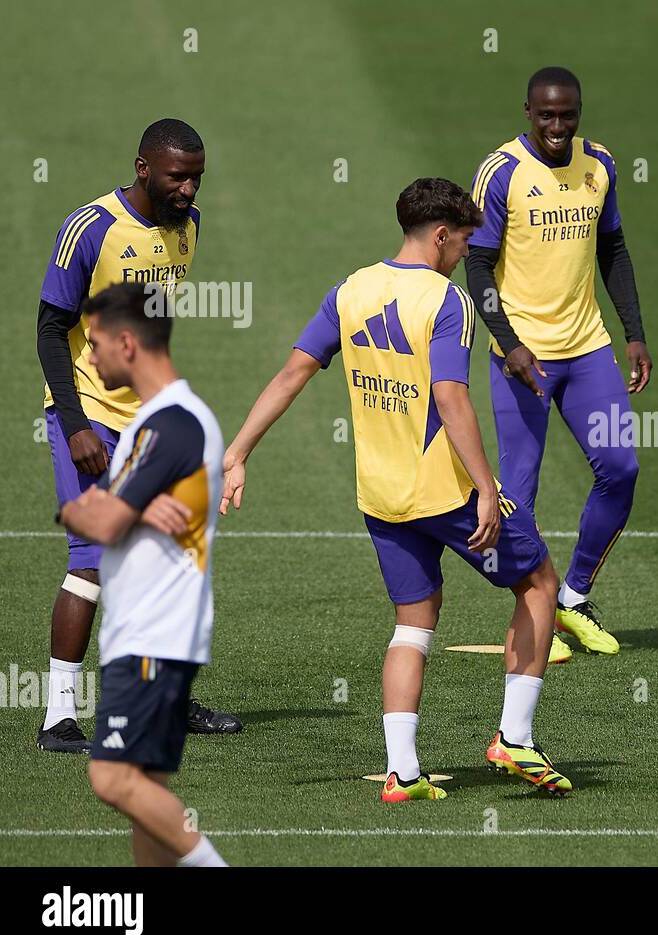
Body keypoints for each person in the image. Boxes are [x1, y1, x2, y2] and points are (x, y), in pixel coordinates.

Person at [220, 177, 571, 799]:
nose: (466, 254)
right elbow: (450, 399)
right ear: (440, 236)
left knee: (414, 621)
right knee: (539, 582)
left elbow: (293, 372)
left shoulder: (350, 290)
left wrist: (238, 451)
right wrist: (487, 489)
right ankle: (515, 738)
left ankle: (402, 773)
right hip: (446, 492)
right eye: (463, 242)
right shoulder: (447, 301)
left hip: (380, 497)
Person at [37, 117, 240, 753]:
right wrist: (74, 427)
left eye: (197, 178)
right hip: (90, 416)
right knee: (93, 560)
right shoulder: (91, 229)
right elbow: (49, 329)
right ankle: (58, 715)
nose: (189, 190)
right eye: (178, 177)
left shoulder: (190, 228)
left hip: (147, 423)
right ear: (143, 168)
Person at [466, 66, 652, 660]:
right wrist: (509, 340)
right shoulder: (502, 173)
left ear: (579, 112)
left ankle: (571, 597)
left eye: (566, 114)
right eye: (545, 115)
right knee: (517, 491)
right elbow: (476, 266)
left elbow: (613, 249)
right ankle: (530, 615)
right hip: (523, 357)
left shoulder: (600, 164)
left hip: (589, 348)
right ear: (527, 112)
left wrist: (635, 334)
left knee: (620, 469)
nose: (556, 125)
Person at [59, 282, 228, 866]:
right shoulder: (153, 424)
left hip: (156, 633)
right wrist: (107, 508)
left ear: (127, 342)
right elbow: (97, 513)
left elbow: (100, 521)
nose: (92, 354)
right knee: (144, 794)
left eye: (97, 342)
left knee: (112, 779)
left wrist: (98, 509)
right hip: (144, 631)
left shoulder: (171, 425)